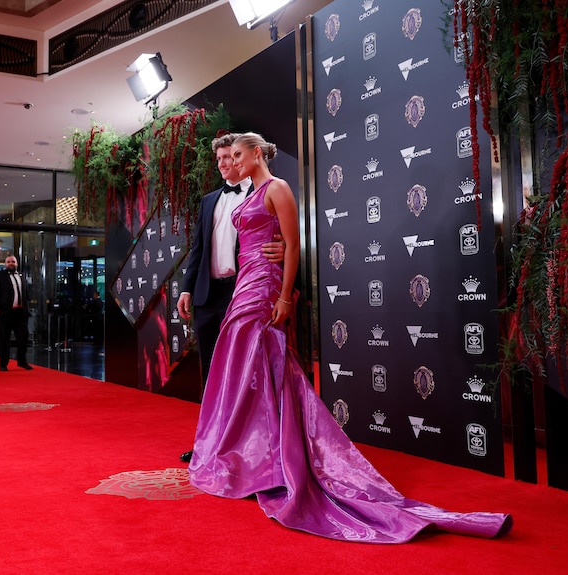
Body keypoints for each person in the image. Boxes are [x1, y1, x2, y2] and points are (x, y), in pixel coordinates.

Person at [188, 133, 513, 543]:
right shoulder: (247, 195)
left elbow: (292, 244)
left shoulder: (278, 188)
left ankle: (276, 458)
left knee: (261, 359)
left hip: (267, 287)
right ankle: (254, 453)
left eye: (238, 154)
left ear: (256, 154)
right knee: (248, 364)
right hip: (246, 282)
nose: (233, 161)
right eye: (229, 156)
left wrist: (286, 296)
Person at [176, 130, 285, 462]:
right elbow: (198, 250)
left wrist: (281, 247)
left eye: (231, 156)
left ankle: (250, 449)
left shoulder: (264, 192)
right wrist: (186, 287)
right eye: (221, 159)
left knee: (247, 371)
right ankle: (209, 444)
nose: (225, 163)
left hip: (245, 292)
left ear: (245, 157)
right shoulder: (209, 200)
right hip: (209, 296)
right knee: (211, 371)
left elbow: (287, 238)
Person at [0, 255, 32, 371]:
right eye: (8, 261)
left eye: (13, 261)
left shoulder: (21, 276)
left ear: (17, 263)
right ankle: (3, 364)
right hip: (5, 313)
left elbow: (25, 293)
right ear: (5, 264)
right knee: (4, 339)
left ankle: (22, 362)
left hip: (20, 313)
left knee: (23, 338)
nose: (11, 263)